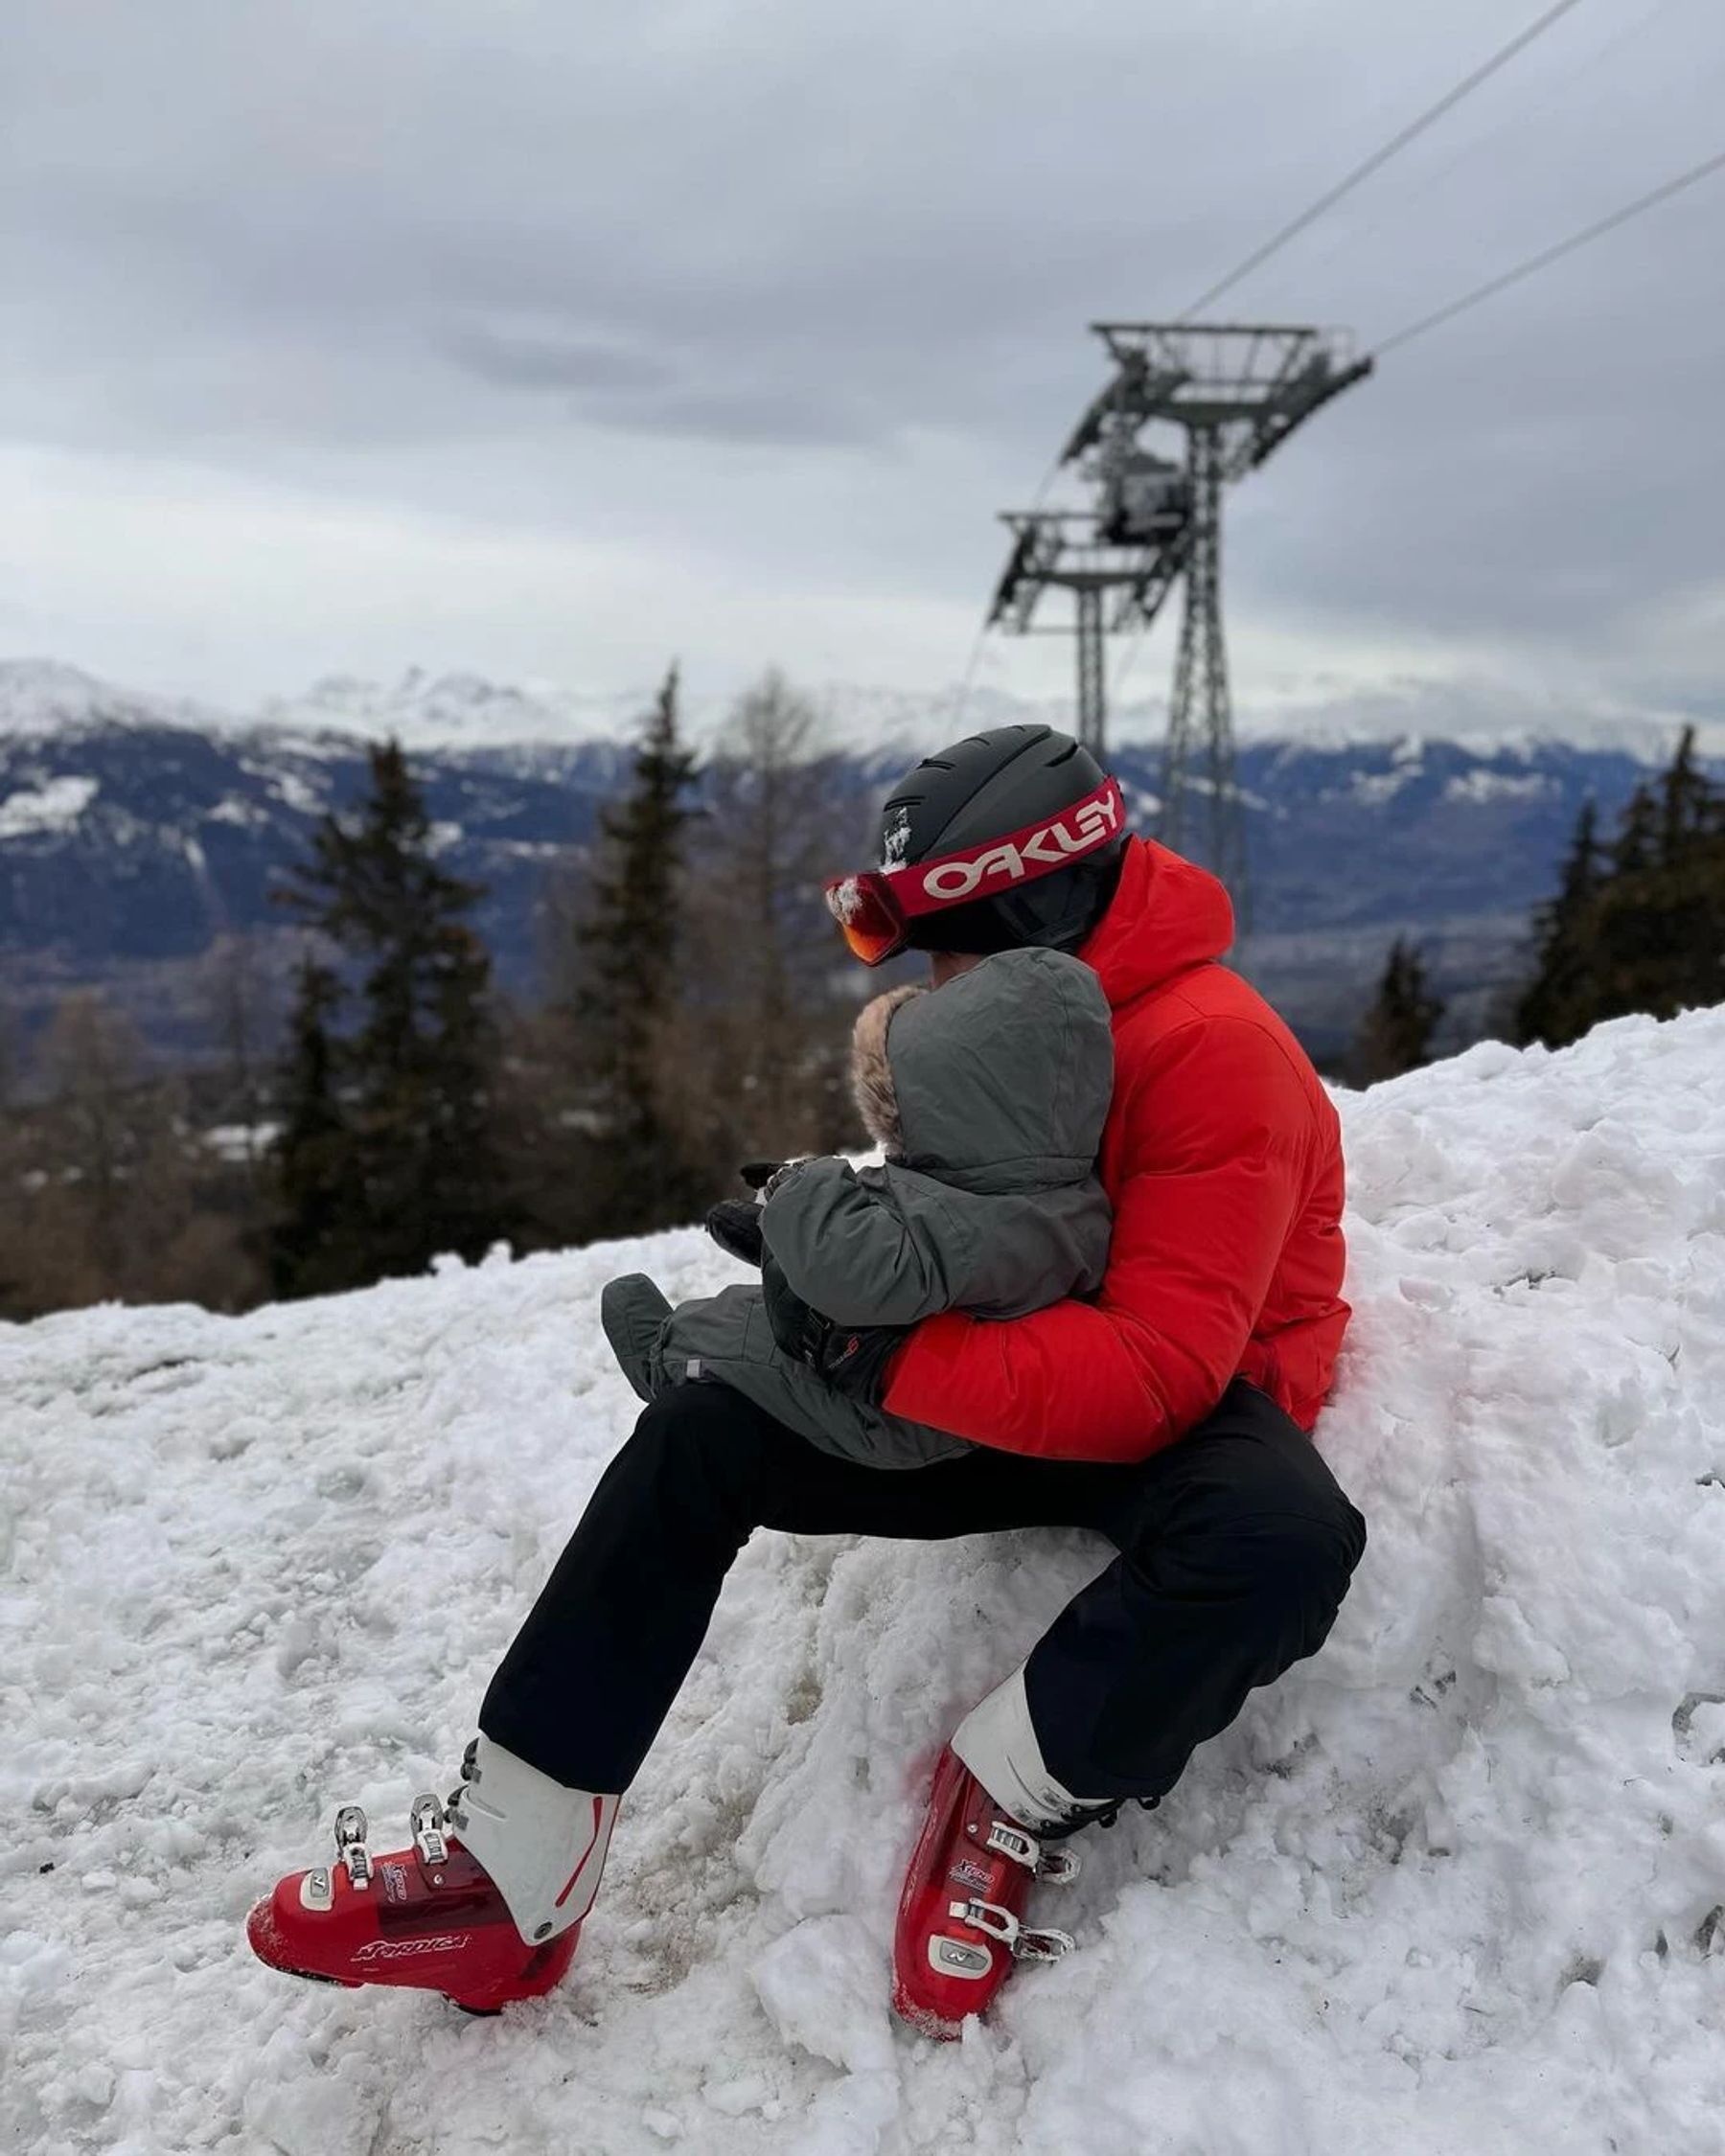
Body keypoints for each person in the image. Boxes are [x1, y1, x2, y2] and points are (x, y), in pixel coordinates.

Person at [247, 722, 1367, 2035]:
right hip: (1028, 1341)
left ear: (1039, 910)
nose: (931, 980)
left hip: (1180, 1395)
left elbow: (1160, 1375)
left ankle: (1016, 1780)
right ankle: (510, 1869)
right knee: (705, 1430)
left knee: (1283, 1537)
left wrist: (895, 1353)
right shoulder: (1022, 1013)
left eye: (948, 946)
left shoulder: (1213, 1050)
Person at [599, 941, 1114, 1473]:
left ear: (957, 1097)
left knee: (746, 1331)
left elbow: (861, 1270)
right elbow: (908, 1218)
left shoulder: (963, 1224)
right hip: (945, 1346)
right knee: (814, 1279)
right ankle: (787, 1257)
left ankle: (664, 1353)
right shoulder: (1067, 1197)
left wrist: (799, 1185)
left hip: (898, 1415)